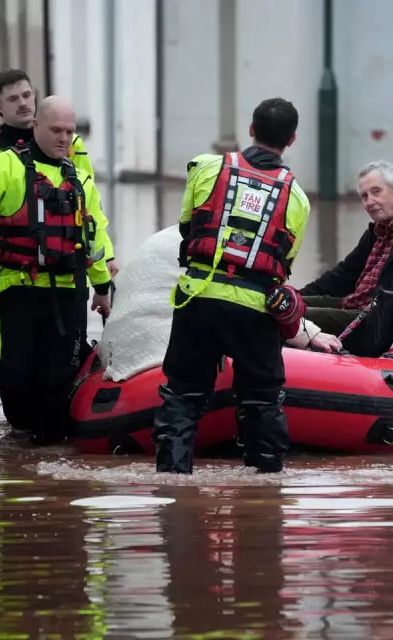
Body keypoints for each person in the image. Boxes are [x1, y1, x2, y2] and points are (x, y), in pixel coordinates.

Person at [153, 97, 310, 475]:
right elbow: (283, 266)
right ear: (292, 140)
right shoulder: (298, 199)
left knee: (183, 397)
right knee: (262, 401)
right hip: (256, 311)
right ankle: (266, 487)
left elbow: (188, 229)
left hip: (199, 300)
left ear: (251, 129)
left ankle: (172, 485)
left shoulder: (206, 169)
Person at [0, 96, 113, 446]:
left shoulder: (80, 179)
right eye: (56, 130)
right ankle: (22, 446)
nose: (64, 138)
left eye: (70, 131)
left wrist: (103, 287)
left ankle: (50, 457)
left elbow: (95, 238)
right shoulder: (4, 167)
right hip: (15, 290)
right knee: (18, 379)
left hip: (67, 293)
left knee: (60, 378)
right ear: (36, 126)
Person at [99, 226, 341, 383]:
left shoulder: (173, 235)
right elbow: (258, 299)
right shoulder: (220, 247)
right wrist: (310, 334)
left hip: (115, 352)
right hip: (155, 357)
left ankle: (173, 463)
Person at [0, 68, 118, 277]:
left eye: (27, 95)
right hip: (5, 273)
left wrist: (107, 257)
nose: (22, 103)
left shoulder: (70, 144)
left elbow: (91, 210)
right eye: (13, 98)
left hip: (65, 273)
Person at [298, 160, 393, 358]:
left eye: (376, 192)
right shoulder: (377, 231)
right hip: (354, 307)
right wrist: (293, 297)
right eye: (365, 196)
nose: (369, 202)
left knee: (293, 316)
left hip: (378, 323)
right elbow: (341, 276)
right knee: (292, 307)